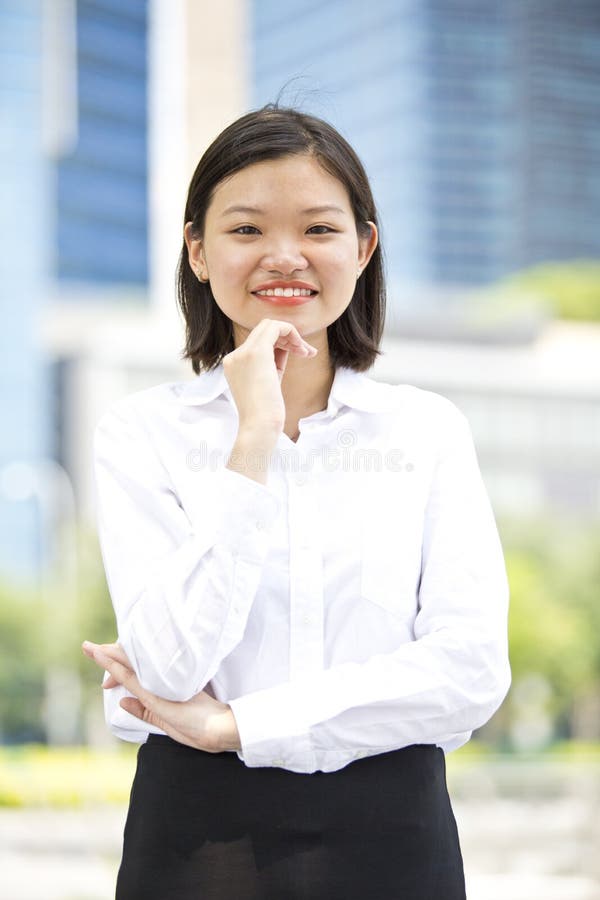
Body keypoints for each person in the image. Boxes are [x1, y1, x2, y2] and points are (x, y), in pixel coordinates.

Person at [82, 104, 510, 899]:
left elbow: (470, 670)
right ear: (198, 251)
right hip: (198, 833)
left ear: (364, 248)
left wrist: (238, 725)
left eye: (319, 229)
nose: (285, 257)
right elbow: (169, 667)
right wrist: (253, 438)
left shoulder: (425, 431)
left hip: (392, 831)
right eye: (246, 229)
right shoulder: (141, 433)